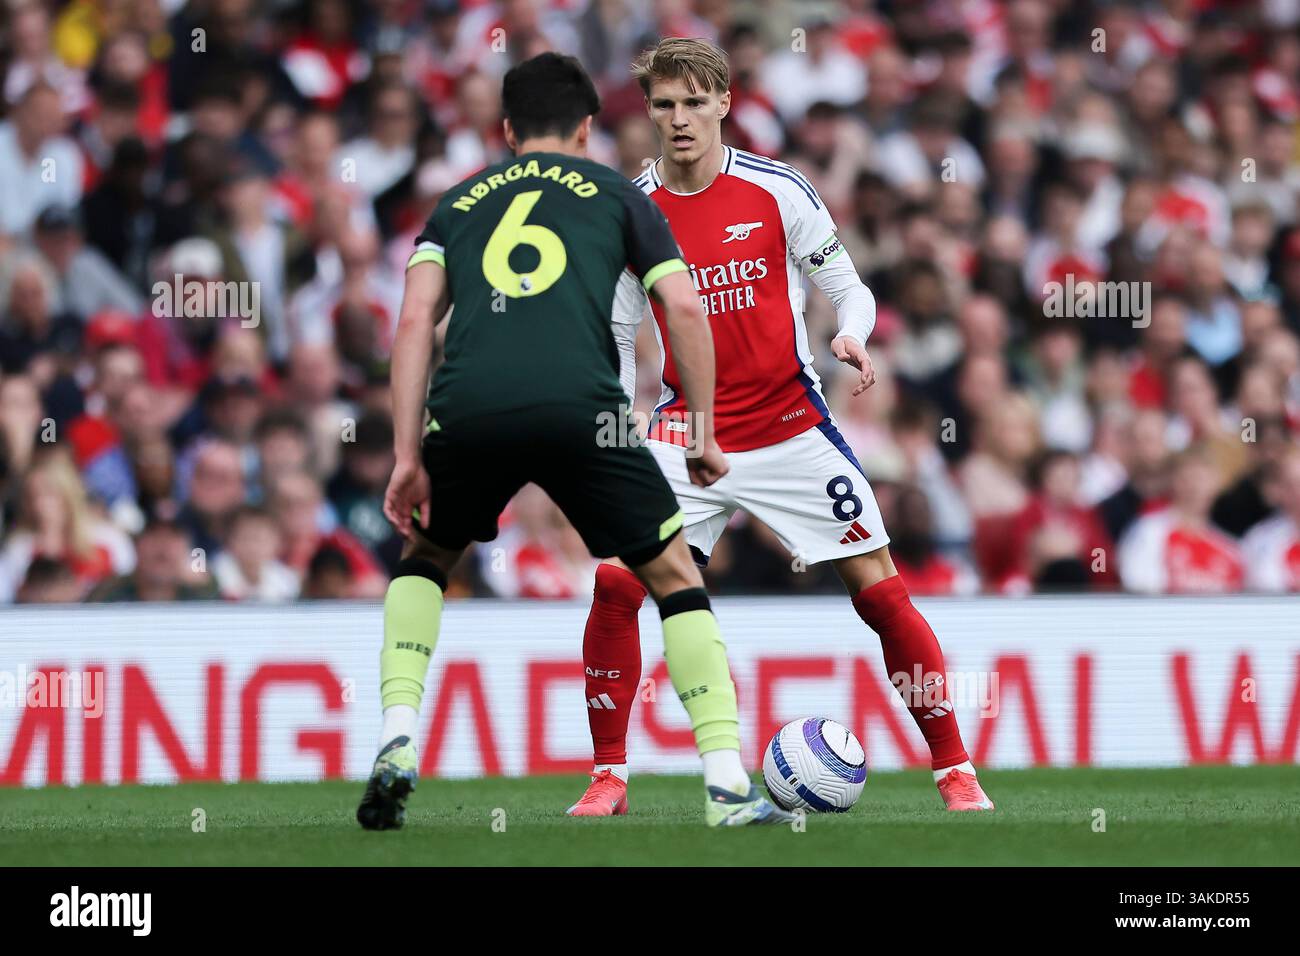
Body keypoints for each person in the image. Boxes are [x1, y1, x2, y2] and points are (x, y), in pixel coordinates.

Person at [356, 52, 791, 830]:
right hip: (582, 411)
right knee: (671, 573)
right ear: (587, 129)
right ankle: (726, 782)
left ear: (507, 130)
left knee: (426, 559)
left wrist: (407, 455)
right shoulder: (620, 195)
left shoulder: (455, 204)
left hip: (469, 407)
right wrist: (699, 431)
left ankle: (394, 739)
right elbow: (685, 313)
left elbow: (416, 320)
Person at [568, 38, 993, 818]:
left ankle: (955, 770)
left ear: (725, 102)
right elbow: (617, 328)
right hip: (685, 430)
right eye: (664, 105)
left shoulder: (777, 190)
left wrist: (853, 335)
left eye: (695, 102)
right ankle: (609, 778)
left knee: (882, 597)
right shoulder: (631, 211)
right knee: (615, 582)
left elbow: (848, 288)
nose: (680, 119)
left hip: (792, 425)